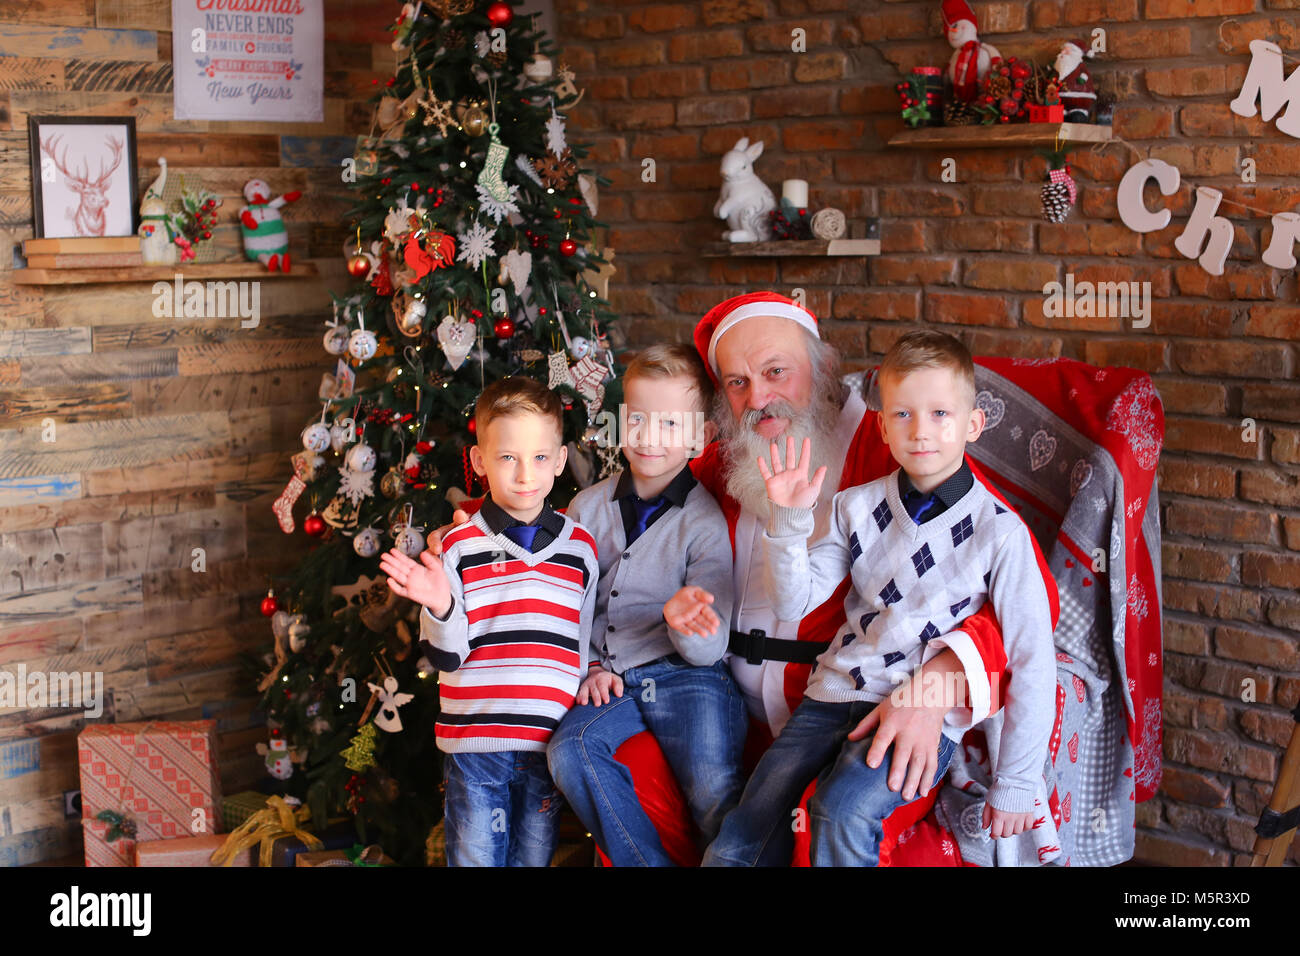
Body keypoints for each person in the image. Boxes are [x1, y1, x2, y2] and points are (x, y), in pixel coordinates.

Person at [702, 330, 1056, 866]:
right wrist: (789, 524)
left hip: (914, 706)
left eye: (940, 414)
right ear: (883, 425)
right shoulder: (855, 507)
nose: (922, 432)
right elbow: (794, 603)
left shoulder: (1000, 533)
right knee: (746, 828)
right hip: (831, 694)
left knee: (842, 810)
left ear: (972, 424)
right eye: (904, 415)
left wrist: (1019, 781)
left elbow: (1032, 658)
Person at [380, 376, 599, 866]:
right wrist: (439, 605)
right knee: (477, 856)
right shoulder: (457, 548)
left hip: (548, 743)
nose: (526, 474)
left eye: (540, 457)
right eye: (507, 457)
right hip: (476, 742)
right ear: (480, 462)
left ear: (561, 460)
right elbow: (447, 655)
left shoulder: (580, 549)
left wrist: (594, 676)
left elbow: (581, 642)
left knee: (533, 858)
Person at [546, 344, 746, 865]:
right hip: (609, 675)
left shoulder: (703, 523)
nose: (649, 438)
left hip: (686, 676)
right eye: (637, 419)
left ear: (699, 438)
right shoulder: (587, 507)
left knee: (712, 792)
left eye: (670, 425)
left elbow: (710, 649)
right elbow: (566, 601)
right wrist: (589, 663)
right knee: (571, 750)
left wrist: (687, 624)